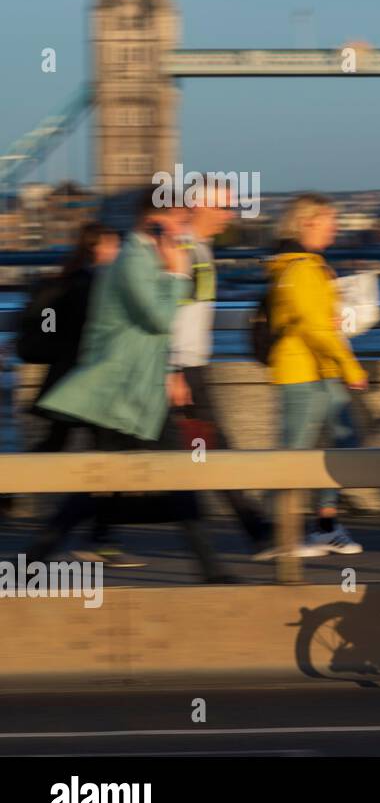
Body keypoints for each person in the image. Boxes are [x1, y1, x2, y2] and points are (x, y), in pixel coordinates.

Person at [26, 191, 233, 581]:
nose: (183, 226)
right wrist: (175, 273)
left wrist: (170, 372)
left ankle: (37, 559)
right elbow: (157, 318)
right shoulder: (135, 259)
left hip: (137, 390)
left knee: (111, 485)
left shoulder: (142, 256)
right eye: (178, 218)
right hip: (121, 393)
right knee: (163, 480)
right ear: (156, 221)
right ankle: (213, 570)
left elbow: (147, 332)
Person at [168, 180, 318, 560]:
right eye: (222, 207)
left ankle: (97, 530)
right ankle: (258, 535)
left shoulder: (199, 248)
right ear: (198, 206)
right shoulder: (184, 249)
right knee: (214, 450)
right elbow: (167, 314)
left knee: (203, 451)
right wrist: (173, 370)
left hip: (190, 367)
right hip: (183, 369)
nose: (229, 215)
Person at [266, 194, 368, 553]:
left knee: (338, 443)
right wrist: (351, 367)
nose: (335, 227)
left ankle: (324, 524)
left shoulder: (310, 266)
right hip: (301, 372)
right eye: (330, 220)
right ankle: (280, 533)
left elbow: (320, 323)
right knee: (297, 451)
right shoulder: (300, 269)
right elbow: (314, 328)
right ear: (307, 222)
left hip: (319, 370)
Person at [29, 223, 121, 453]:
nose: (118, 251)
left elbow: (53, 327)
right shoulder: (93, 284)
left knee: (56, 441)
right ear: (96, 248)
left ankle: (18, 481)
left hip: (66, 373)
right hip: (85, 374)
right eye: (113, 245)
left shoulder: (71, 278)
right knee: (105, 443)